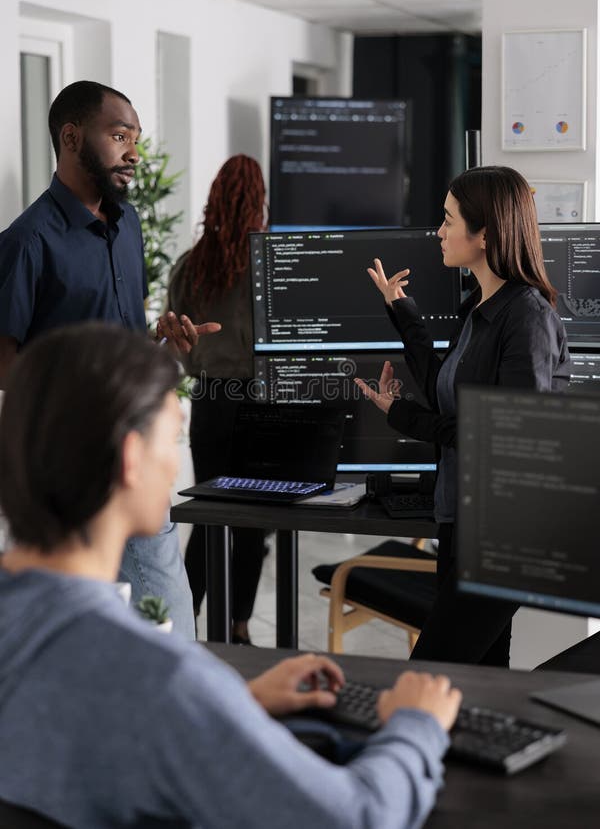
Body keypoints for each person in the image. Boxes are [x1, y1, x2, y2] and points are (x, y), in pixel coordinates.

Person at [0, 322, 461, 828]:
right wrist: (417, 725)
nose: (178, 458)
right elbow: (359, 817)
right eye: (172, 437)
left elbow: (80, 728)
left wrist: (238, 704)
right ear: (132, 459)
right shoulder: (163, 676)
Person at [0, 80, 220, 640]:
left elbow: (120, 343)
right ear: (72, 138)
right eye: (118, 135)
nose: (133, 152)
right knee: (89, 630)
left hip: (136, 453)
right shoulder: (27, 242)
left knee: (164, 622)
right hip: (68, 474)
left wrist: (159, 346)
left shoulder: (129, 228)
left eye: (136, 138)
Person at [356, 165, 571, 667]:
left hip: (506, 534)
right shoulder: (479, 306)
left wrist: (405, 419)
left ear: (486, 234)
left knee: (433, 673)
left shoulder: (529, 317)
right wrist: (401, 311)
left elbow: (505, 439)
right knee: (480, 681)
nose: (440, 230)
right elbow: (442, 388)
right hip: (461, 517)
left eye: (449, 219)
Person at [168, 154, 268, 643]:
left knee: (208, 523)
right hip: (259, 406)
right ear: (259, 201)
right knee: (253, 526)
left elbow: (183, 353)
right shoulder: (268, 262)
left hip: (210, 402)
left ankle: (185, 629)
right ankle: (240, 627)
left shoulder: (190, 267)